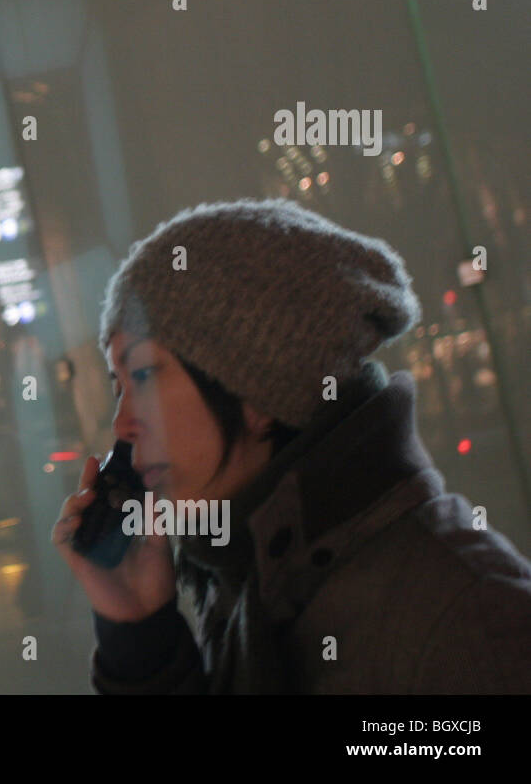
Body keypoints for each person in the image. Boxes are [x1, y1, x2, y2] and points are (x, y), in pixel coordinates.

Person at [53, 197, 531, 693]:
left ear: (259, 390)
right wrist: (142, 640)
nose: (123, 424)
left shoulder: (468, 615)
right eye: (119, 386)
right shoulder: (248, 577)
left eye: (146, 375)